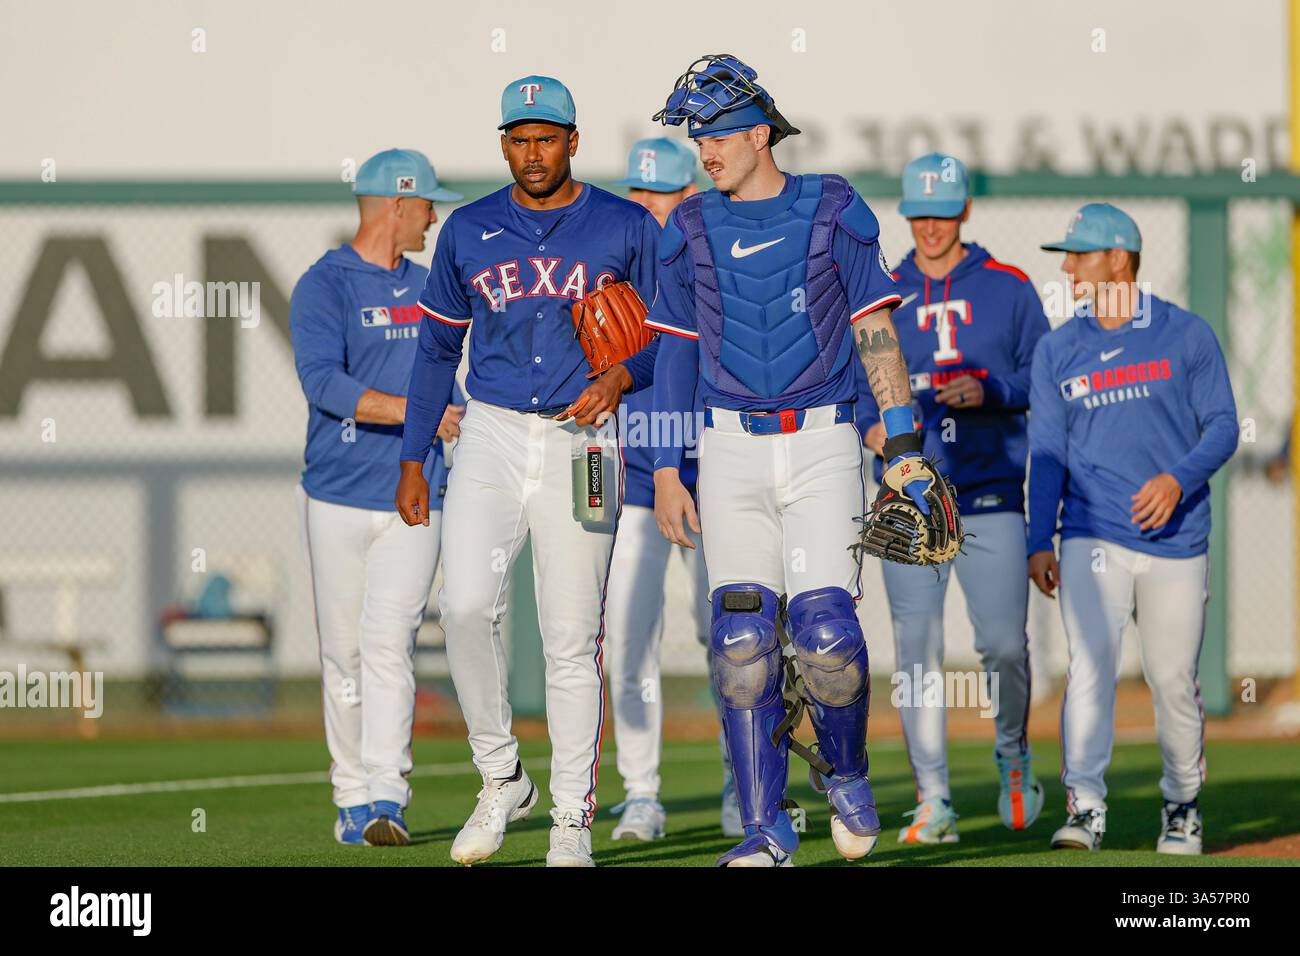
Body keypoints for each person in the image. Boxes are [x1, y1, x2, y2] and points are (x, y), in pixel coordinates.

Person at [647, 55, 934, 867]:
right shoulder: (690, 228)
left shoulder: (833, 206)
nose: (703, 151)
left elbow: (876, 327)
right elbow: (673, 353)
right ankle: (765, 828)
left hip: (822, 441)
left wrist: (904, 444)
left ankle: (846, 771)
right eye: (695, 138)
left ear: (760, 131)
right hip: (728, 446)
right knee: (740, 644)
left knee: (826, 636)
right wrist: (668, 466)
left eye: (715, 134)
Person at [395, 75, 660, 867]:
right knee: (465, 607)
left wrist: (623, 375)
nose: (532, 152)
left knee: (572, 637)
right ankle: (501, 774)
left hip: (585, 441)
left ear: (574, 141)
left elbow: (669, 331)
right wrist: (412, 456)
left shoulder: (623, 223)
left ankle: (572, 817)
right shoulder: (470, 229)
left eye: (547, 137)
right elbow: (439, 348)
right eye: (519, 137)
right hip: (493, 432)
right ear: (502, 141)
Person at [1028, 203, 1239, 854]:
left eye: (1079, 254)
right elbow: (1047, 452)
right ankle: (1085, 806)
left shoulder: (1185, 334)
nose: (1067, 267)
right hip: (1092, 531)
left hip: (1177, 536)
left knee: (1172, 678)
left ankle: (1182, 804)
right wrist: (1041, 538)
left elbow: (1224, 427)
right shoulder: (1058, 349)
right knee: (1090, 667)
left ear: (1119, 259)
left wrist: (1177, 479)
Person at [857, 153, 1049, 844]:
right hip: (911, 497)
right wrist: (869, 424)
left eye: (943, 211)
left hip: (990, 489)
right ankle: (932, 796)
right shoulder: (881, 291)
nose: (931, 225)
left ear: (965, 211)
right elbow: (854, 382)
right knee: (916, 649)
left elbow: (1045, 379)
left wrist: (995, 390)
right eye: (919, 213)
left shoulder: (1010, 287)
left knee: (1001, 644)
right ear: (907, 216)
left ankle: (1013, 753)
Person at [289, 148, 463, 846]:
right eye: (428, 204)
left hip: (415, 495)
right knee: (344, 653)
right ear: (398, 204)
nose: (434, 216)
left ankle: (388, 795)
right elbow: (323, 385)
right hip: (335, 493)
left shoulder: (431, 287)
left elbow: (456, 384)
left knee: (390, 642)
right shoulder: (323, 285)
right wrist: (415, 412)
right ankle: (351, 797)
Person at [603, 136, 742, 840]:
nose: (646, 206)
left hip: (712, 477)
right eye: (637, 193)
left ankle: (739, 783)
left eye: (659, 193)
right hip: (631, 482)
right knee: (627, 642)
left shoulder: (713, 266)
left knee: (728, 639)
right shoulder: (608, 275)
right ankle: (642, 795)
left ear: (689, 196)